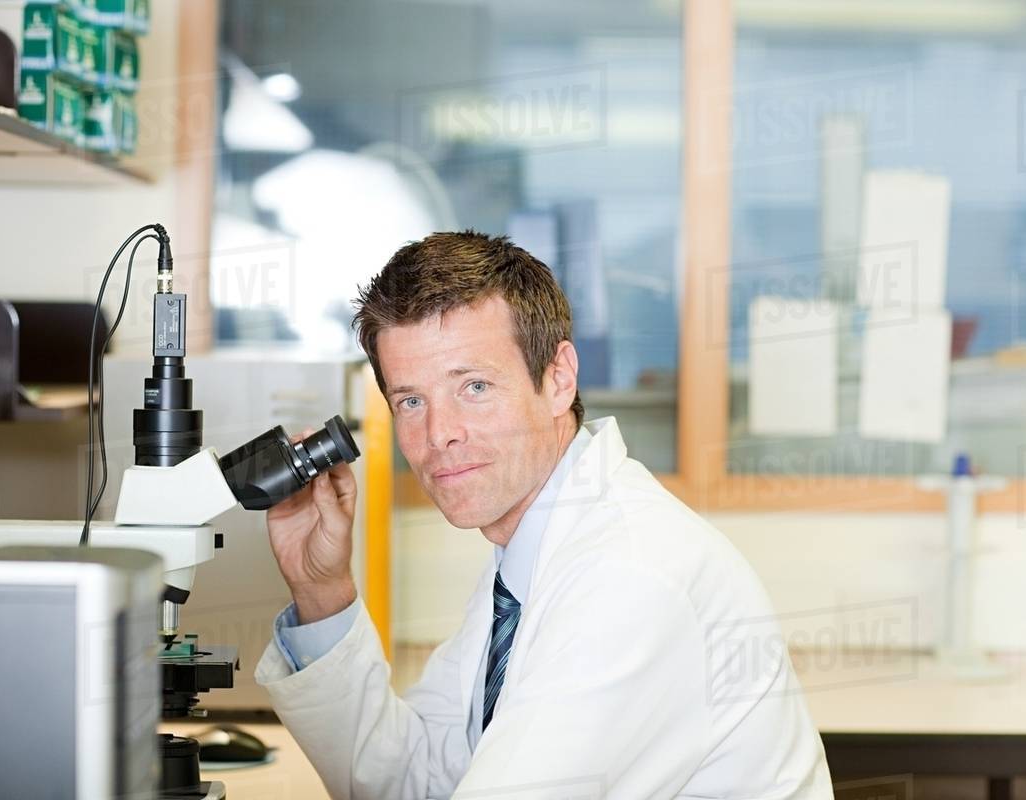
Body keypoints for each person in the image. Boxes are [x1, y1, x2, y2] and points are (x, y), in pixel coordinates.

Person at [255, 231, 833, 799]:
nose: (439, 433)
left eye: (474, 386)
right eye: (411, 400)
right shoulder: (530, 555)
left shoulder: (629, 573)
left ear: (558, 379)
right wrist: (321, 591)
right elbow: (416, 781)